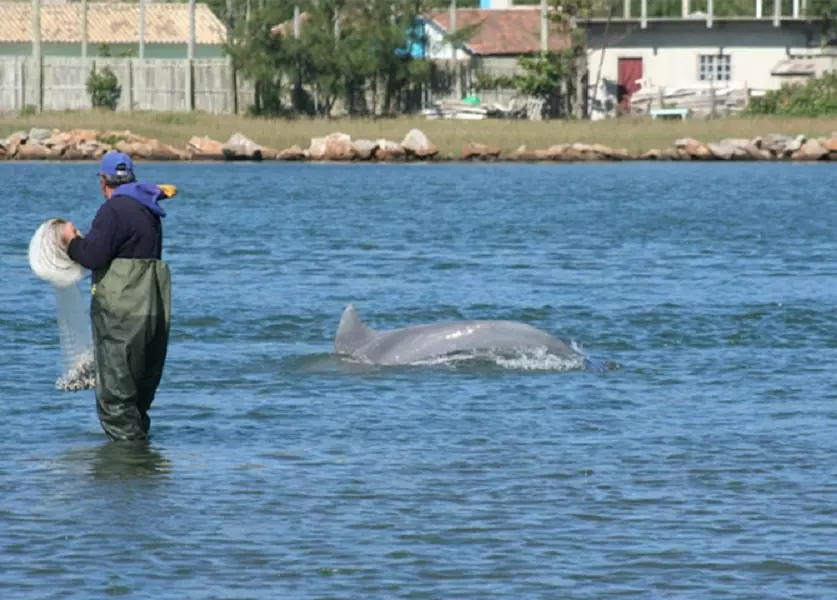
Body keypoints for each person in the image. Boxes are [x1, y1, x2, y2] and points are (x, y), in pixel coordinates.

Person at [60, 150, 173, 442]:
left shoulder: (112, 211)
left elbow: (93, 256)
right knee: (138, 396)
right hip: (152, 312)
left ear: (103, 181)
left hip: (121, 315)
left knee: (116, 399)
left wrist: (71, 241)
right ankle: (144, 468)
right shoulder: (149, 210)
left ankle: (125, 474)